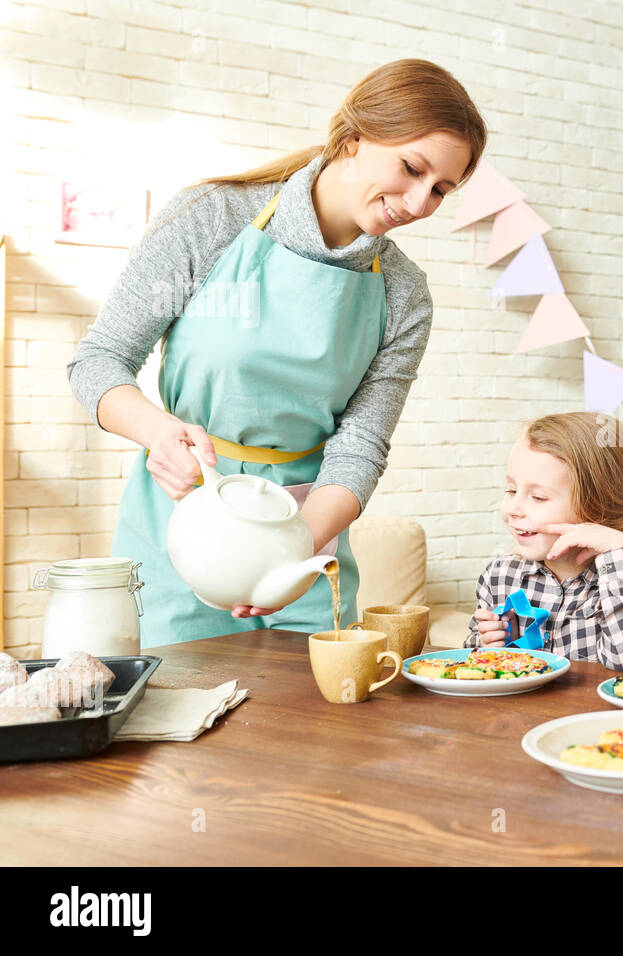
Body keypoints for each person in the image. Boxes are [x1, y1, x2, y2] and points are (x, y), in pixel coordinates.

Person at [66, 59, 487, 647]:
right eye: (412, 168)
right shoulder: (211, 217)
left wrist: (288, 557)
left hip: (306, 540)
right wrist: (157, 431)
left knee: (317, 731)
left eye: (441, 189)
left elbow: (361, 444)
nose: (419, 203)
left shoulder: (403, 292)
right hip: (182, 528)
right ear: (353, 138)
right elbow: (100, 360)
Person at [466, 412, 623, 671]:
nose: (514, 508)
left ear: (597, 506)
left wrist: (619, 550)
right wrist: (488, 646)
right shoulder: (500, 576)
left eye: (538, 497)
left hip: (595, 712)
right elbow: (471, 663)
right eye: (512, 490)